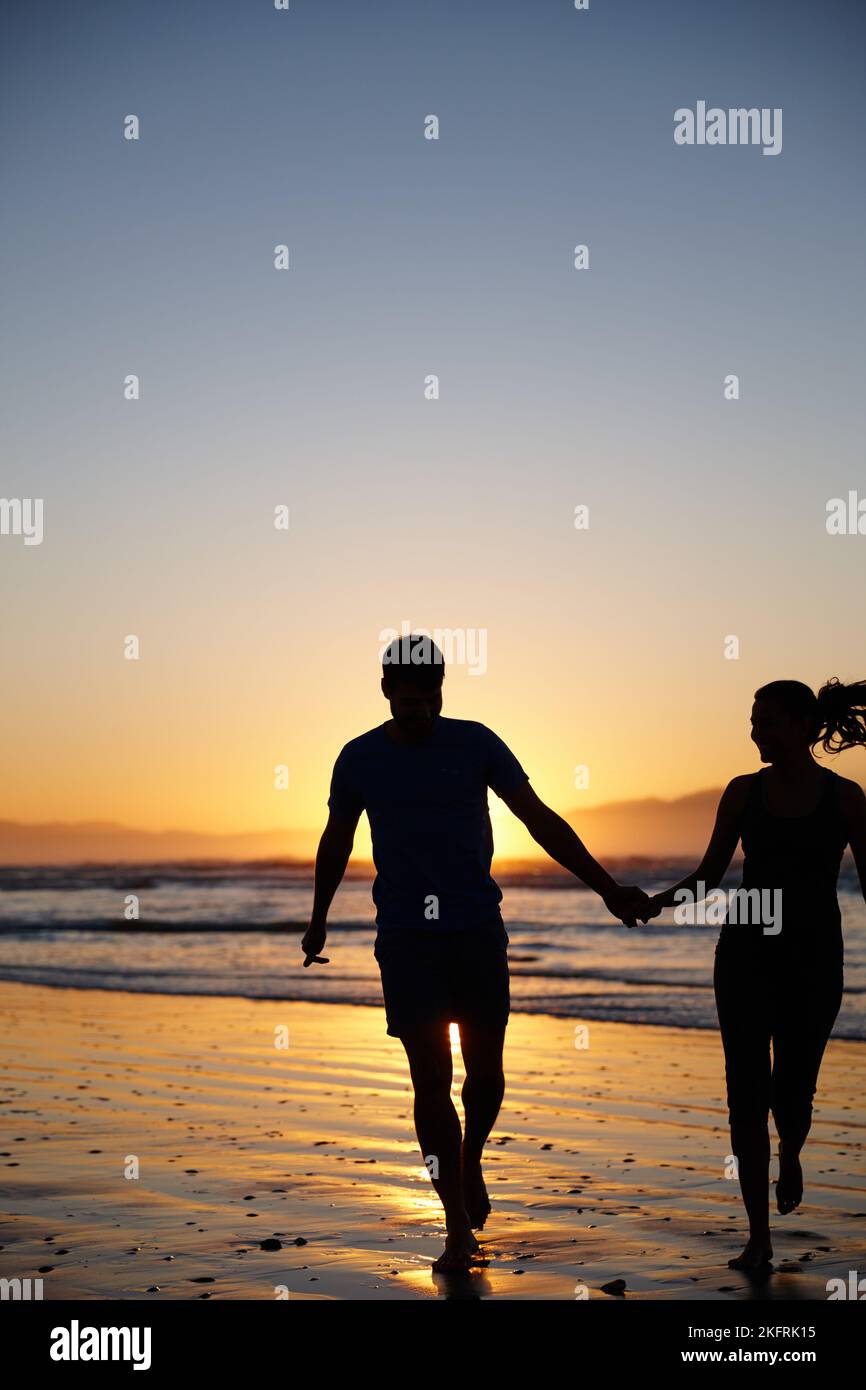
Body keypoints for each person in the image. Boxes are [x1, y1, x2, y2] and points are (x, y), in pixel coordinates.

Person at [301, 633, 651, 1272]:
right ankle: (456, 1225)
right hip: (406, 938)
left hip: (476, 931)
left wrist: (607, 889)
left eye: (427, 699)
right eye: (406, 701)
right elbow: (336, 839)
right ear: (386, 692)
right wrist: (318, 918)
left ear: (441, 690)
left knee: (484, 1074)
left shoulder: (477, 742)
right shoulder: (358, 758)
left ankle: (470, 1161)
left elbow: (539, 819)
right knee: (430, 1078)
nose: (417, 711)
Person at [646, 679, 866, 1272]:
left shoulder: (845, 798)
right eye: (752, 720)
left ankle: (790, 1152)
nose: (755, 733)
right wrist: (656, 902)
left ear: (802, 727)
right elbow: (709, 874)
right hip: (744, 955)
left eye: (766, 722)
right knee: (745, 1096)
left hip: (815, 959)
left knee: (792, 1094)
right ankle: (759, 1237)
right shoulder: (743, 793)